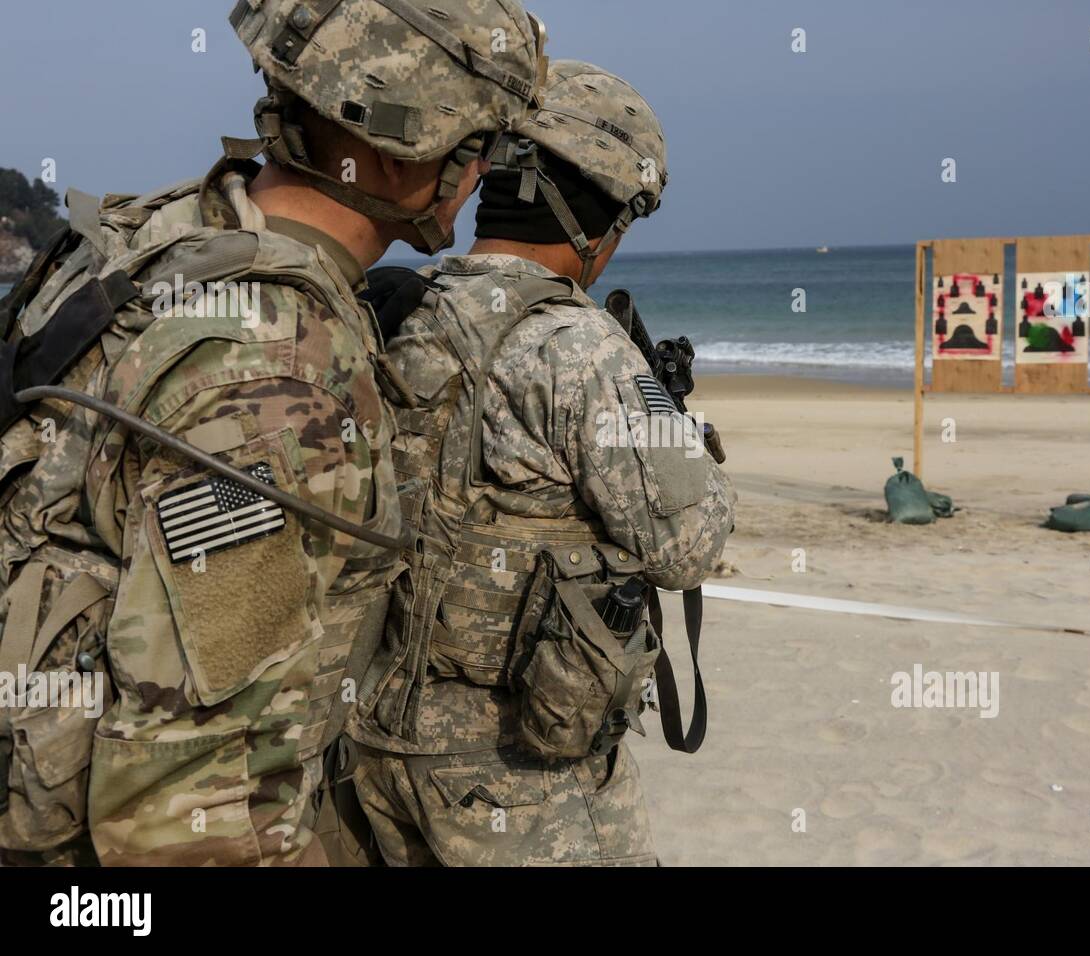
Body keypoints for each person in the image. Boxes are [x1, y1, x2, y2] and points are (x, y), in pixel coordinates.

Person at [0, 0, 543, 866]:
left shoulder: (157, 233)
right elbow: (185, 816)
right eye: (474, 148)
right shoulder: (282, 385)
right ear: (405, 149)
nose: (479, 175)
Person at [348, 60, 736, 866]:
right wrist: (680, 431)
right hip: (515, 765)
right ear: (602, 222)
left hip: (378, 739)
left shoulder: (398, 306)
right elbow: (689, 543)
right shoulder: (579, 348)